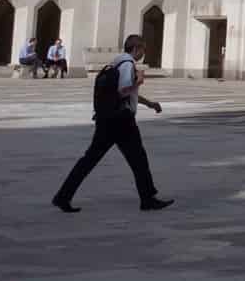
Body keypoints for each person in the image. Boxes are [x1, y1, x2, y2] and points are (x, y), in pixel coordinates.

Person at [51, 34, 173, 214]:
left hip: (108, 119)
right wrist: (138, 81)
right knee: (138, 159)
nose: (143, 53)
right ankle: (147, 199)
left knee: (90, 160)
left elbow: (124, 94)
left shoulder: (115, 63)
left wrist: (149, 104)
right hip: (121, 121)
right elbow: (124, 91)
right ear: (135, 48)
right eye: (142, 50)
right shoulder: (127, 64)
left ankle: (63, 196)